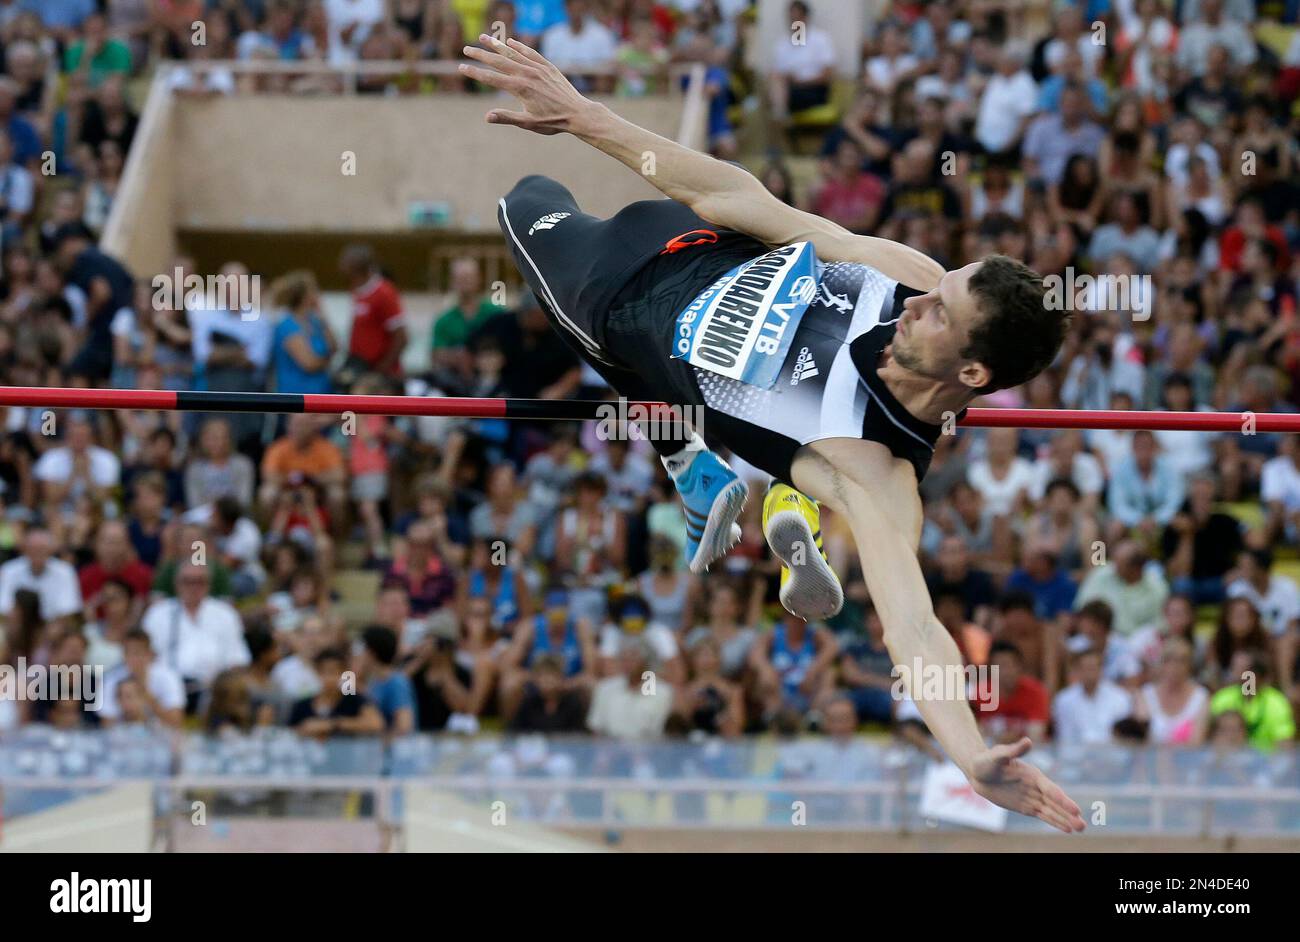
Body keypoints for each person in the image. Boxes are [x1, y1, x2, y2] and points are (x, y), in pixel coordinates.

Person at [467, 34, 1083, 832]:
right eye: (940, 286)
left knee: (524, 197)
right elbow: (745, 201)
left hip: (613, 298)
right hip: (688, 236)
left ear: (971, 376)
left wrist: (968, 756)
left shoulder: (873, 470)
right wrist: (588, 117)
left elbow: (915, 630)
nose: (921, 298)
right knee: (598, 181)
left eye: (941, 313)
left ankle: (701, 459)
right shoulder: (910, 277)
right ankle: (700, 462)